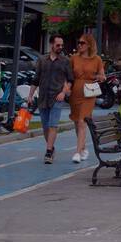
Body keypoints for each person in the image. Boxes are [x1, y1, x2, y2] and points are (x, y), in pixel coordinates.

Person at [27, 33, 73, 164]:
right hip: (43, 98)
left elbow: (70, 80)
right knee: (45, 127)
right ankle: (51, 147)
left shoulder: (65, 61)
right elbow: (36, 79)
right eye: (58, 45)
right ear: (51, 44)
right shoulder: (42, 60)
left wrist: (63, 92)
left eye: (62, 45)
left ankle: (48, 152)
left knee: (53, 125)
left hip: (57, 97)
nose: (60, 47)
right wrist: (30, 95)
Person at [68, 33, 105, 164]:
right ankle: (83, 148)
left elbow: (102, 75)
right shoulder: (73, 58)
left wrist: (99, 77)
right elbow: (69, 76)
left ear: (89, 44)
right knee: (76, 121)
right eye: (78, 42)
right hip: (75, 92)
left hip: (89, 92)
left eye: (82, 43)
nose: (79, 45)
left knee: (82, 121)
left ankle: (78, 152)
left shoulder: (97, 59)